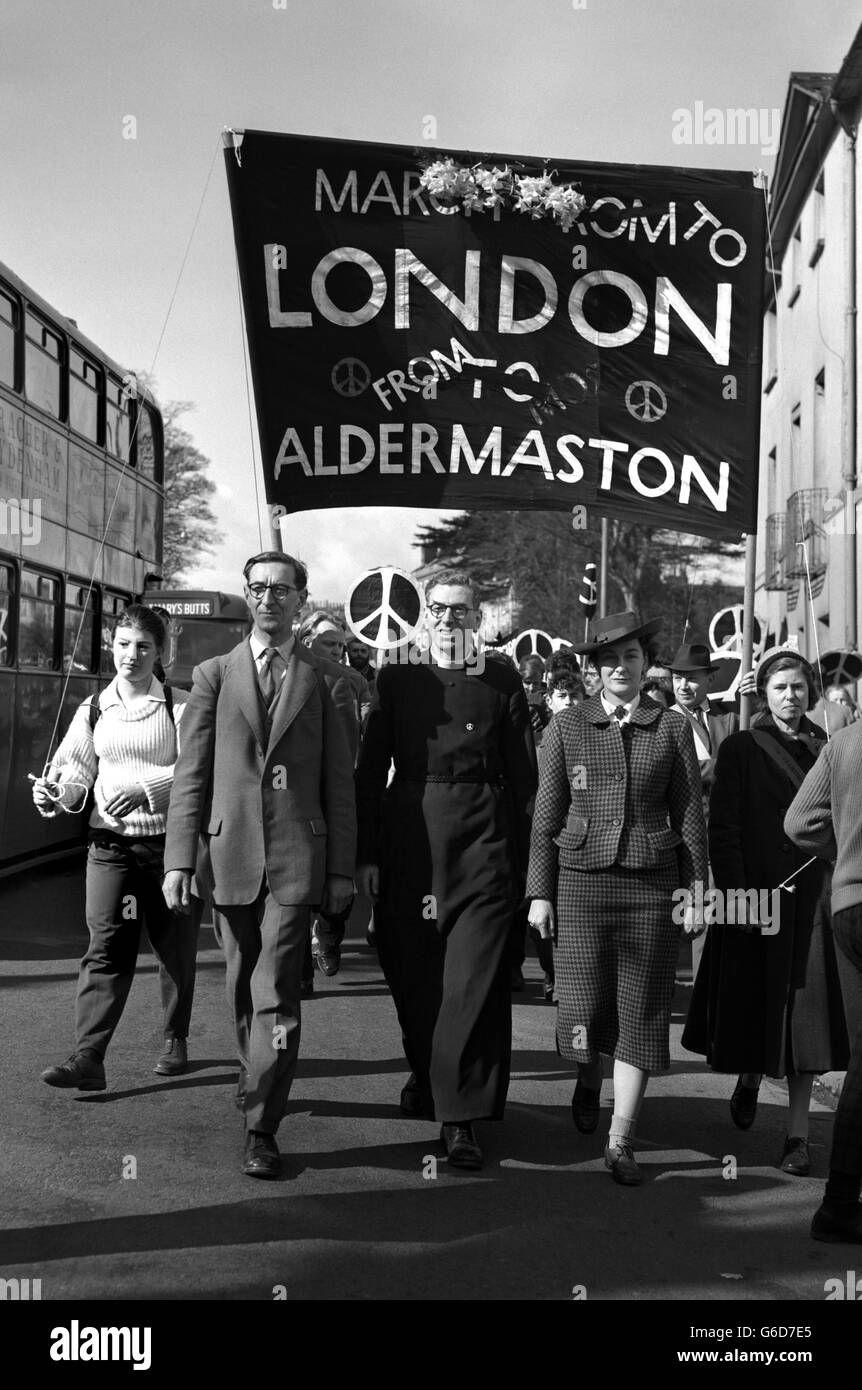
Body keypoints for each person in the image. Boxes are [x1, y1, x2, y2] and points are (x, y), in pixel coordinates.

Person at [162, 551, 356, 1180]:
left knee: (276, 991)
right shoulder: (213, 674)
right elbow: (191, 775)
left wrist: (341, 870)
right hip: (229, 854)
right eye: (258, 588)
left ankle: (262, 1126)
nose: (268, 597)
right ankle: (254, 1073)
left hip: (299, 858)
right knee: (241, 984)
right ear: (248, 596)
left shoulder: (325, 679)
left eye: (281, 588)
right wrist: (178, 861)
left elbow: (339, 783)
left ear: (302, 598)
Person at [355, 571, 537, 1170]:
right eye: (438, 610)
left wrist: (531, 873)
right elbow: (366, 775)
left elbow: (527, 785)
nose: (448, 620)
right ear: (424, 615)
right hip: (411, 841)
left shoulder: (503, 681)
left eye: (461, 611)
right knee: (413, 976)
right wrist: (368, 856)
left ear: (478, 617)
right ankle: (426, 1071)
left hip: (485, 844)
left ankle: (459, 1118)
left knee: (471, 983)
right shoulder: (398, 679)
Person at [527, 611, 707, 1187]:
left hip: (653, 883)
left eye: (630, 657)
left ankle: (621, 1137)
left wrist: (697, 891)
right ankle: (586, 1078)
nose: (620, 668)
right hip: (580, 881)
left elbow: (689, 815)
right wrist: (540, 892)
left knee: (642, 1010)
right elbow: (545, 817)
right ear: (592, 670)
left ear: (644, 662)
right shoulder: (565, 727)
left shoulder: (671, 727)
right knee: (582, 1006)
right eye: (608, 660)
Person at [682, 647, 852, 1176]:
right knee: (757, 1010)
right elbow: (724, 829)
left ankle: (796, 1138)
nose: (791, 696)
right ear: (764, 693)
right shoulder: (739, 748)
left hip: (814, 904)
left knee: (808, 1025)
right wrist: (734, 895)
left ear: (812, 692)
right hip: (757, 898)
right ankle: (752, 1076)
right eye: (780, 687)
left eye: (799, 687)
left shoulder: (832, 746)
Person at [33, 606, 196, 1090]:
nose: (132, 655)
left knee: (175, 950)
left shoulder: (180, 705)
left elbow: (198, 772)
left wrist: (148, 788)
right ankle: (89, 1057)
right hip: (109, 845)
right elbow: (75, 773)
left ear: (160, 652)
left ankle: (174, 1037)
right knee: (106, 946)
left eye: (144, 646)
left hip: (171, 846)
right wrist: (55, 793)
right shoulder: (93, 708)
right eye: (124, 644)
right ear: (112, 645)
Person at [784, 719, 862, 1241]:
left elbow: (799, 822)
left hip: (850, 905)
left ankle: (837, 1204)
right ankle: (836, 1207)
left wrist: (846, 855)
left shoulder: (847, 739)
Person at [298, 609, 369, 978]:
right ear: (306, 640)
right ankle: (299, 969)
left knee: (339, 873)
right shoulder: (285, 675)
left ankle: (328, 937)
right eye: (330, 643)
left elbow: (354, 738)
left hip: (339, 789)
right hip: (295, 792)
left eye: (342, 644)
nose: (339, 650)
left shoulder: (350, 681)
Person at [668, 639, 740, 982]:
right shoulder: (661, 722)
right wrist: (717, 766)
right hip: (677, 838)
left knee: (721, 923)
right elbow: (677, 773)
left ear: (710, 680)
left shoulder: (731, 718)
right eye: (677, 677)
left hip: (724, 836)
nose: (683, 685)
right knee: (681, 928)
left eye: (692, 677)